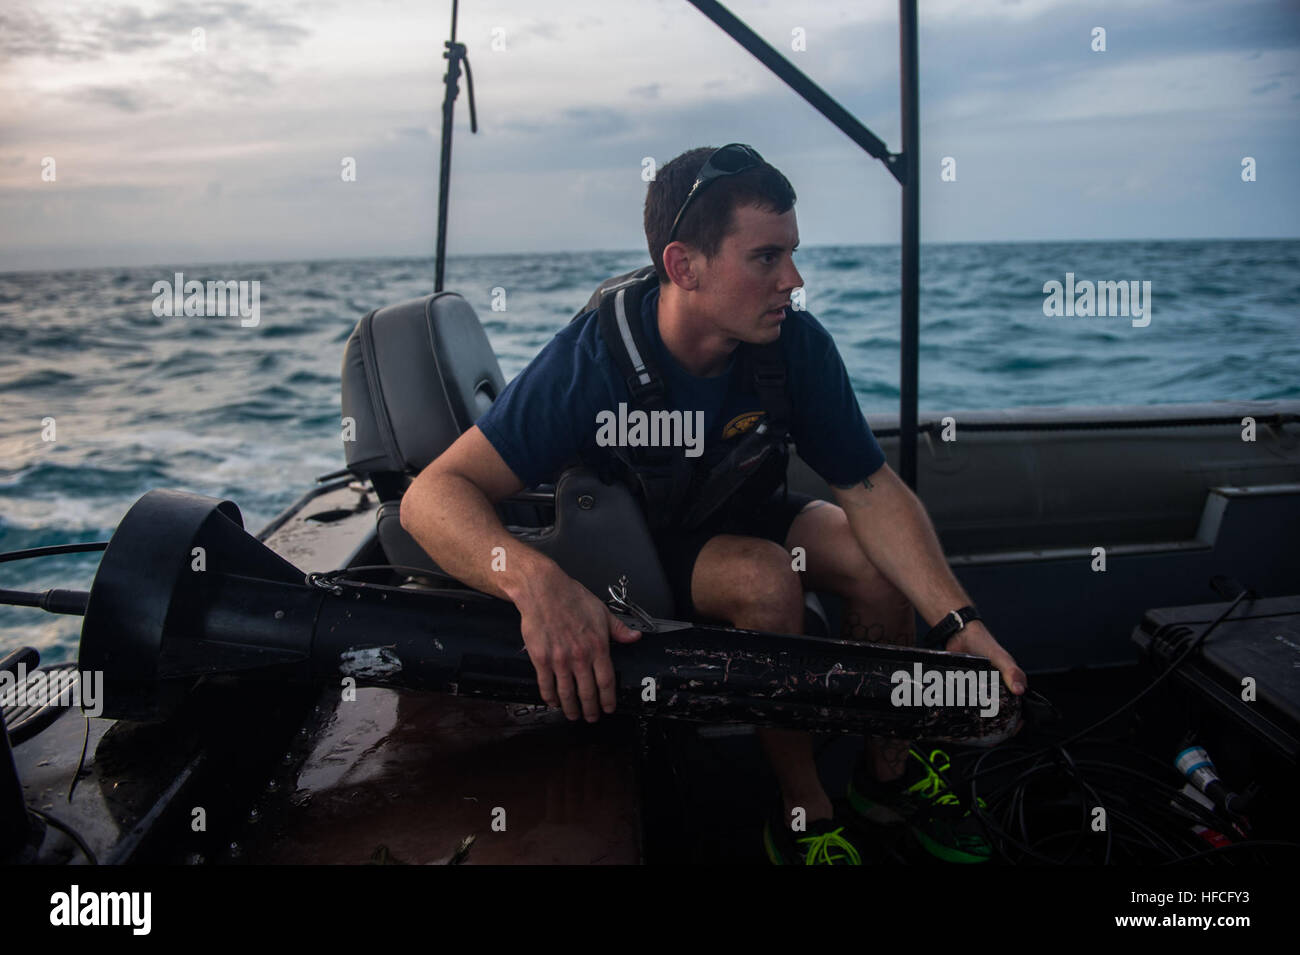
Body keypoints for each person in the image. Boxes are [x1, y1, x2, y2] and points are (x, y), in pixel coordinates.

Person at [400, 144, 1027, 865]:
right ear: (683, 266)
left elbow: (869, 487)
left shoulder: (794, 346)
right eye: (767, 257)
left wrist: (959, 621)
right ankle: (803, 812)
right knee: (765, 576)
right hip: (644, 548)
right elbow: (432, 496)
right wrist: (536, 583)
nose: (794, 280)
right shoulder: (592, 360)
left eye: (793, 253)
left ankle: (886, 777)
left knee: (872, 561)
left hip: (747, 506)